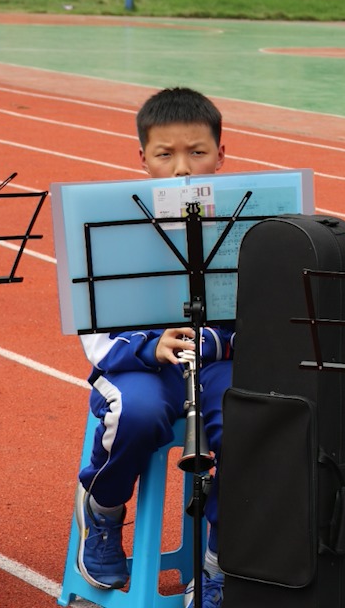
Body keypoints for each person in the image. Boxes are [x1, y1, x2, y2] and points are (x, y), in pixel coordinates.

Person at [72, 88, 234, 608]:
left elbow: (269, 322)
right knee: (136, 413)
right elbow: (97, 338)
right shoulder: (109, 223)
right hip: (139, 365)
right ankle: (102, 508)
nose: (182, 168)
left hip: (217, 363)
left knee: (255, 420)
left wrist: (216, 341)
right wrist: (149, 346)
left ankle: (220, 561)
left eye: (198, 152)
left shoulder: (248, 221)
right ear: (142, 157)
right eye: (165, 154)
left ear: (221, 154)